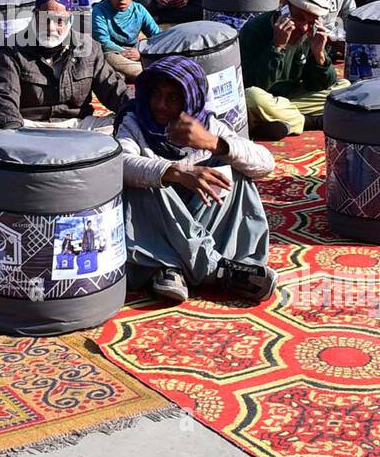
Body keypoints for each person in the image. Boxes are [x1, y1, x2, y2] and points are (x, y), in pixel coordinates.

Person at [116, 56, 277, 305]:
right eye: (156, 94)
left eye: (172, 98)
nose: (159, 105)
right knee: (143, 180)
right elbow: (122, 163)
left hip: (200, 221)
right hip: (158, 227)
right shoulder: (134, 122)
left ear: (190, 100)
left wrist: (213, 144)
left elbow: (265, 164)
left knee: (236, 171)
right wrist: (175, 172)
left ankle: (180, 267)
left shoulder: (208, 125)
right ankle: (214, 270)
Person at [0, 0, 129, 131]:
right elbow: (2, 96)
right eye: (44, 20)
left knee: (125, 123)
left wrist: (139, 109)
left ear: (70, 20)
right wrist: (11, 130)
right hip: (30, 126)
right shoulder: (13, 49)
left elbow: (113, 89)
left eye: (59, 21)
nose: (51, 28)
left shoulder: (89, 49)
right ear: (35, 17)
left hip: (78, 125)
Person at [240, 0, 350, 140]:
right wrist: (277, 47)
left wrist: (319, 54)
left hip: (292, 99)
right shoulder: (254, 30)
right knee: (251, 97)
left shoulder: (309, 33)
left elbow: (321, 85)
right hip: (264, 99)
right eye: (298, 18)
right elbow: (255, 84)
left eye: (310, 21)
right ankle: (310, 122)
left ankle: (278, 121)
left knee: (345, 88)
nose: (304, 27)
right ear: (284, 9)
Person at [91, 0, 160, 81]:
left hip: (136, 55)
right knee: (109, 58)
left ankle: (139, 73)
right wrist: (125, 52)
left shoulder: (139, 10)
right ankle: (150, 74)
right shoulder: (99, 11)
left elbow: (157, 36)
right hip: (112, 53)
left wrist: (142, 53)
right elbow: (103, 42)